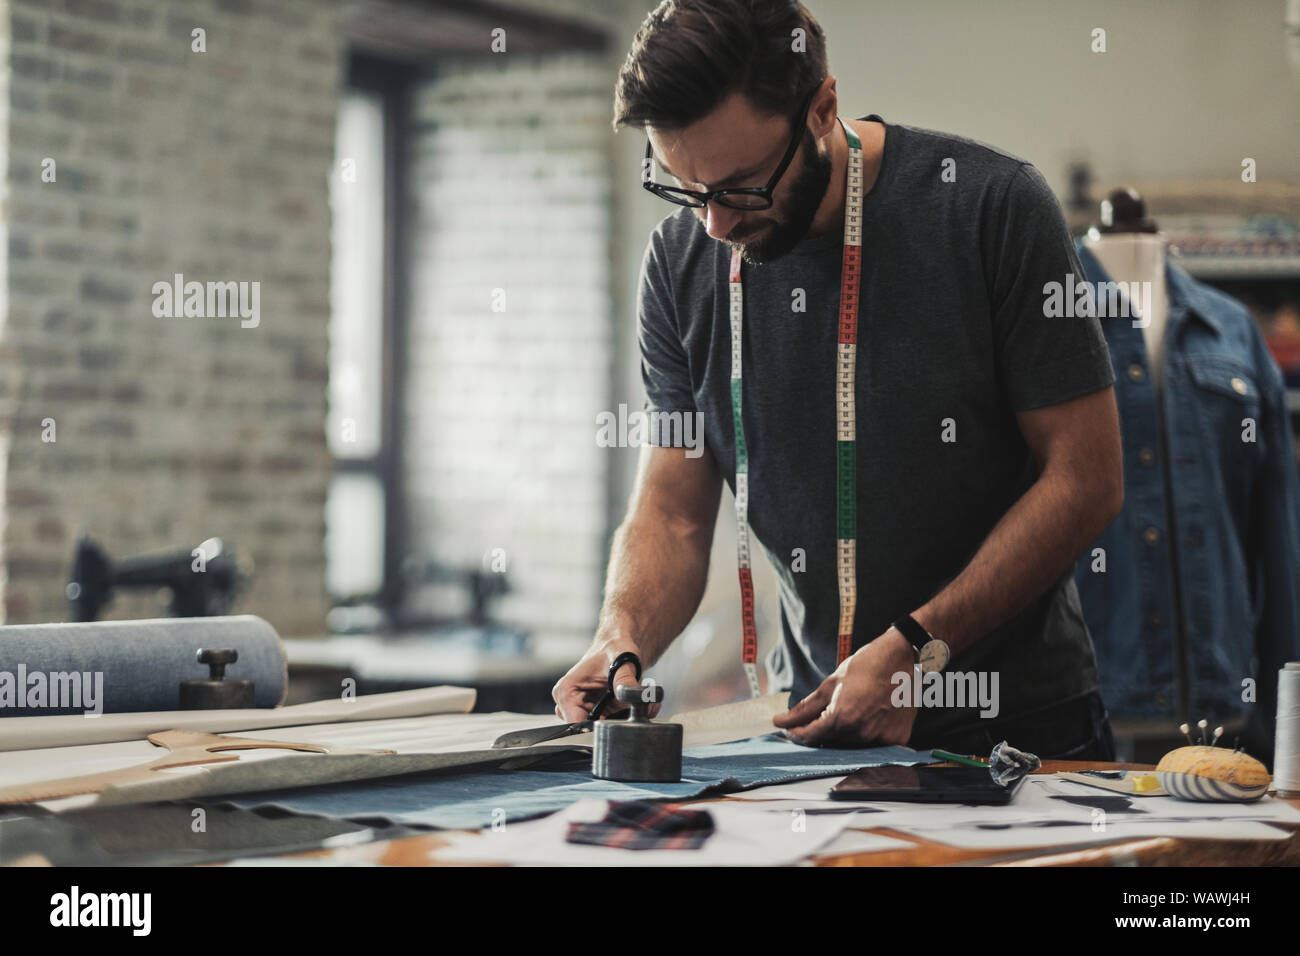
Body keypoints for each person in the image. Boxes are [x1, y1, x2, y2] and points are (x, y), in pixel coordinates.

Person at [554, 0, 1124, 760]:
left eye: (741, 187)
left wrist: (918, 651)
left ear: (822, 107)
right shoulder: (679, 264)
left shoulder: (992, 208)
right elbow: (674, 510)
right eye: (687, 190)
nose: (716, 225)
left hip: (1018, 728)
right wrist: (620, 635)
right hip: (819, 732)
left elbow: (1087, 478)